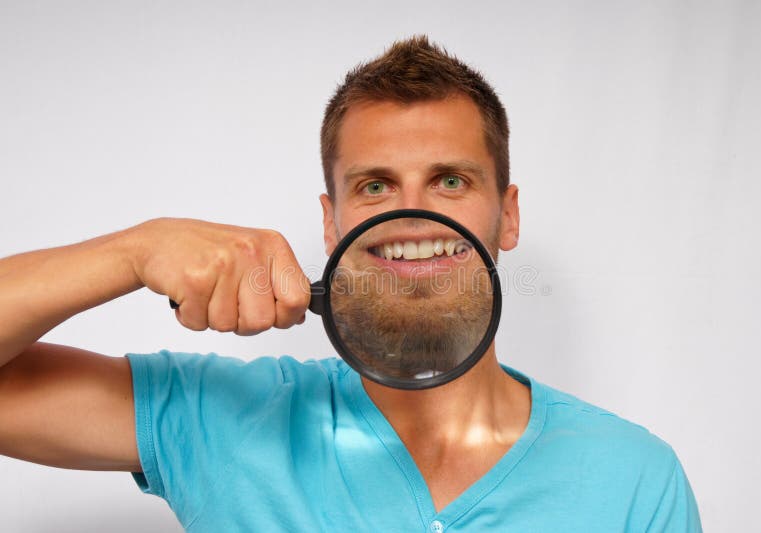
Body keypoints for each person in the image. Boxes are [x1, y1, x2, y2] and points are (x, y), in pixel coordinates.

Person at [0, 35, 702, 532]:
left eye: (450, 180)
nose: (412, 213)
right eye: (375, 185)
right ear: (331, 223)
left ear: (508, 215)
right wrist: (133, 250)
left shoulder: (635, 479)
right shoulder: (220, 418)